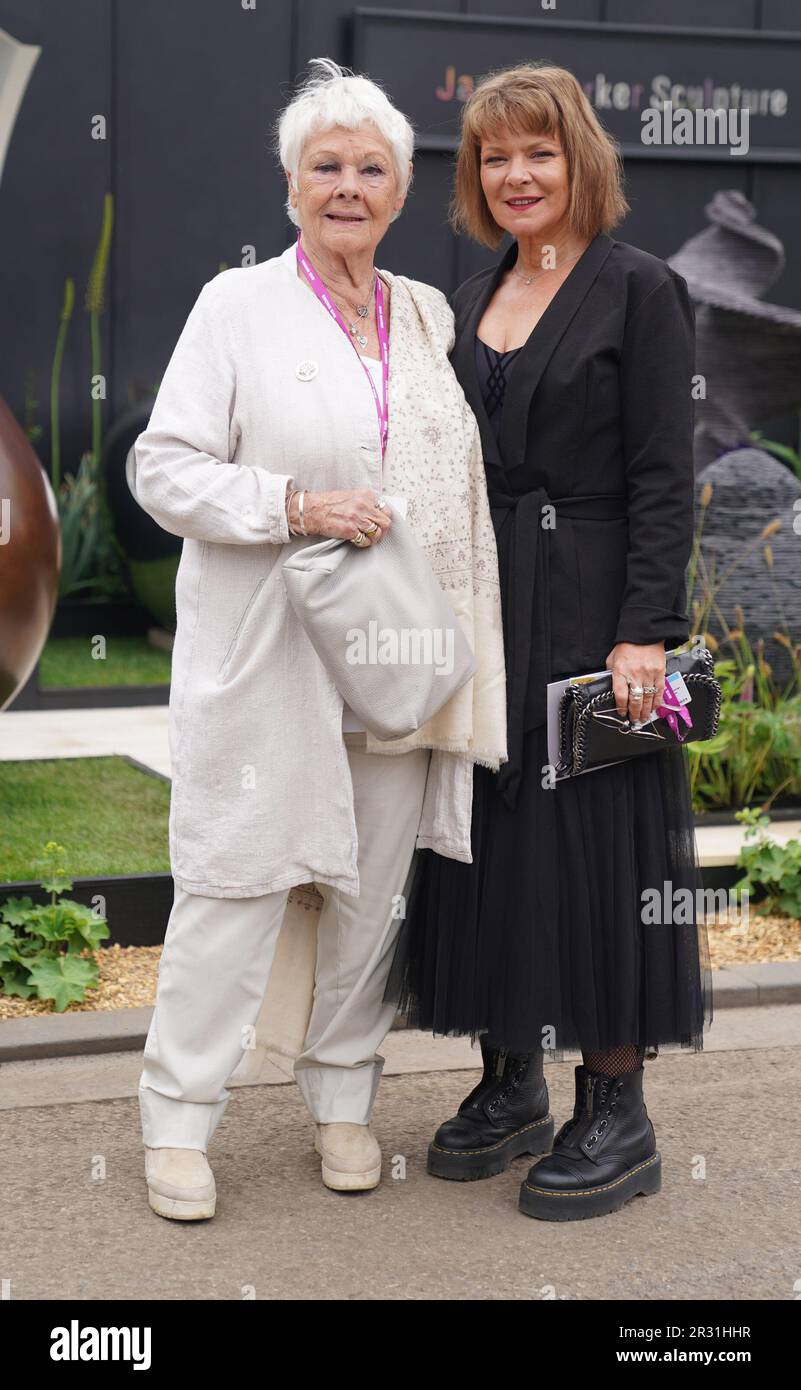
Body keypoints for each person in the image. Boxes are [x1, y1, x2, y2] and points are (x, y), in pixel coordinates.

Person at [131, 58, 507, 1219]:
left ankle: (343, 1100)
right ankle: (177, 1123)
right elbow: (162, 466)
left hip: (395, 655)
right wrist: (293, 505)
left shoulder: (428, 314)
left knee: (371, 895)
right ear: (292, 186)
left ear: (400, 192)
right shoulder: (233, 306)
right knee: (234, 885)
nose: (348, 186)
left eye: (371, 168)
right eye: (325, 166)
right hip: (274, 658)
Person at [384, 63, 713, 1221]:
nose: (515, 174)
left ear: (581, 160)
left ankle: (615, 1106)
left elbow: (666, 480)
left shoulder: (642, 291)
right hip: (485, 603)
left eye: (538, 151)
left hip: (593, 611)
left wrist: (646, 634)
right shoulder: (465, 296)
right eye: (492, 156)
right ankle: (510, 1073)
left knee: (599, 848)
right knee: (494, 832)